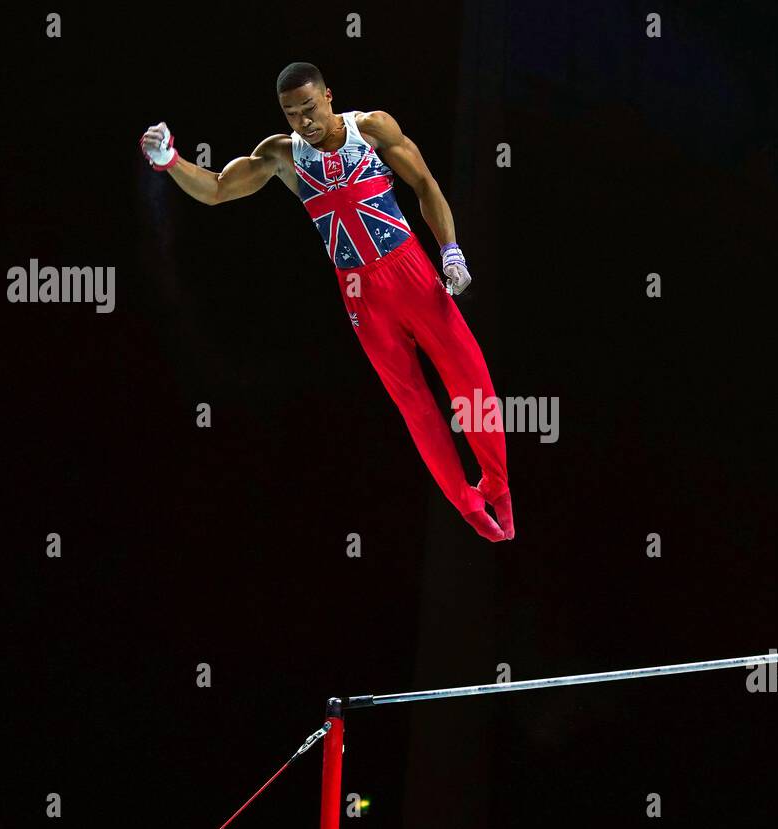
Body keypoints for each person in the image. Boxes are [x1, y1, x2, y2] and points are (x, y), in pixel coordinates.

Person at [140, 62, 513, 541]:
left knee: (469, 375)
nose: (303, 122)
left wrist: (450, 249)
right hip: (361, 294)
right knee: (413, 402)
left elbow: (424, 185)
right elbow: (214, 189)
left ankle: (498, 486)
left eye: (310, 108)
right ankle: (463, 499)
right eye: (292, 113)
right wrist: (170, 162)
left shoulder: (373, 128)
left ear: (329, 96)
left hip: (412, 270)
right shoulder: (281, 155)